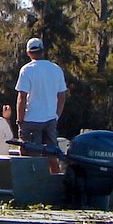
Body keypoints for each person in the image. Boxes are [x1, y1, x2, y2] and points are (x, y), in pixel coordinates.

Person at [15, 37, 67, 173]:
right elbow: (62, 95)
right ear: (43, 51)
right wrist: (56, 115)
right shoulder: (56, 69)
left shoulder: (26, 70)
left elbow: (22, 97)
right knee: (52, 155)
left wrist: (20, 120)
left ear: (28, 53)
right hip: (50, 120)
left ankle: (31, 185)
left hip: (30, 120)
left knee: (29, 158)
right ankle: (55, 182)